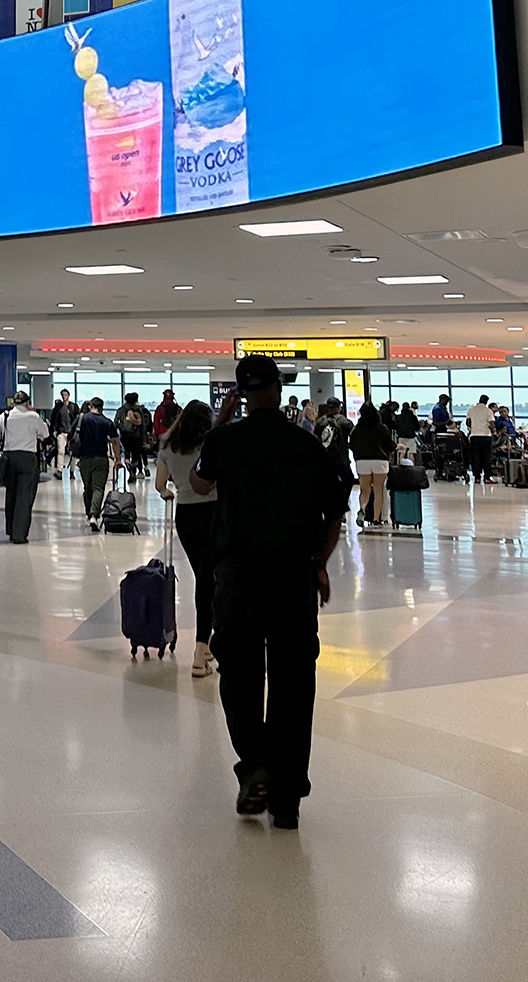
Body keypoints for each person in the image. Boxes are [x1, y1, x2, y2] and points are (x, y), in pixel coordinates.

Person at [191, 354, 352, 831]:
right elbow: (335, 511)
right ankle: (288, 800)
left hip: (238, 578)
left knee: (239, 678)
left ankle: (255, 765)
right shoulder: (305, 444)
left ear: (240, 392)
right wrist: (320, 567)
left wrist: (219, 423)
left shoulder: (224, 441)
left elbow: (199, 483)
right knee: (293, 684)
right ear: (280, 392)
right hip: (292, 578)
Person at [154, 399, 219, 678]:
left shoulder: (168, 444)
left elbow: (160, 484)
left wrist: (169, 492)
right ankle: (201, 648)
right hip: (214, 514)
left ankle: (206, 647)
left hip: (187, 516)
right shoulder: (210, 444)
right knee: (214, 580)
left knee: (204, 579)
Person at [0, 392, 49, 544]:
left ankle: (10, 529)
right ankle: (19, 534)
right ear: (27, 403)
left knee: (11, 495)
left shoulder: (5, 416)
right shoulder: (33, 417)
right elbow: (45, 434)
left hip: (9, 458)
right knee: (24, 496)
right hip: (28, 458)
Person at [72, 398, 120, 529]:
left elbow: (71, 433)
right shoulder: (107, 422)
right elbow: (115, 442)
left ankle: (89, 514)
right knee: (98, 488)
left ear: (90, 406)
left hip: (85, 459)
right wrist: (118, 459)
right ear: (102, 407)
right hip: (101, 458)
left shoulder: (82, 419)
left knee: (87, 488)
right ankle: (94, 516)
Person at [350, 403, 396, 526]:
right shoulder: (381, 428)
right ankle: (376, 519)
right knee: (378, 490)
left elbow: (352, 445)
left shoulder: (357, 429)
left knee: (364, 490)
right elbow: (390, 444)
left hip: (362, 461)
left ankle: (363, 509)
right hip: (379, 461)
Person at [463, 394, 496, 484]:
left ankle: (477, 477)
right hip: (486, 436)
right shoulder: (488, 411)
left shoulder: (471, 410)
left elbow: (468, 422)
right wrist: (492, 430)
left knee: (475, 457)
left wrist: (474, 426)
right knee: (486, 458)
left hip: (474, 436)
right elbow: (492, 424)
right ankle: (487, 477)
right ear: (486, 401)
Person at [50, 389, 80, 475]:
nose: (64, 396)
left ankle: (72, 470)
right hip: (61, 432)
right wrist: (54, 430)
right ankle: (60, 470)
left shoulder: (73, 407)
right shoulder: (58, 407)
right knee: (61, 451)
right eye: (63, 395)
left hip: (72, 433)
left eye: (65, 395)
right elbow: (54, 419)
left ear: (68, 395)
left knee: (73, 453)